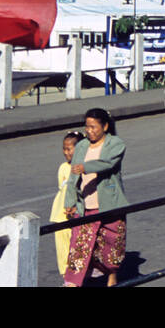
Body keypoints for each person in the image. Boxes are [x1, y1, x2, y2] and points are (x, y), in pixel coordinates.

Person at [63, 108, 127, 287]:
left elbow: (108, 162)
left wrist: (86, 167)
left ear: (105, 126)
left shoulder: (116, 144)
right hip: (86, 205)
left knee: (112, 244)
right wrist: (70, 202)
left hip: (109, 203)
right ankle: (72, 282)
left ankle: (111, 273)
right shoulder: (82, 146)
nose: (89, 131)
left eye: (93, 127)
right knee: (79, 245)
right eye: (87, 127)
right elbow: (73, 178)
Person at [50, 132, 82, 273]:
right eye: (64, 149)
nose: (66, 152)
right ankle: (66, 276)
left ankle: (76, 276)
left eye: (69, 149)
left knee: (76, 248)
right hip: (60, 215)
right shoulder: (63, 167)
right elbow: (61, 188)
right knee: (62, 249)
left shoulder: (82, 168)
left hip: (76, 215)